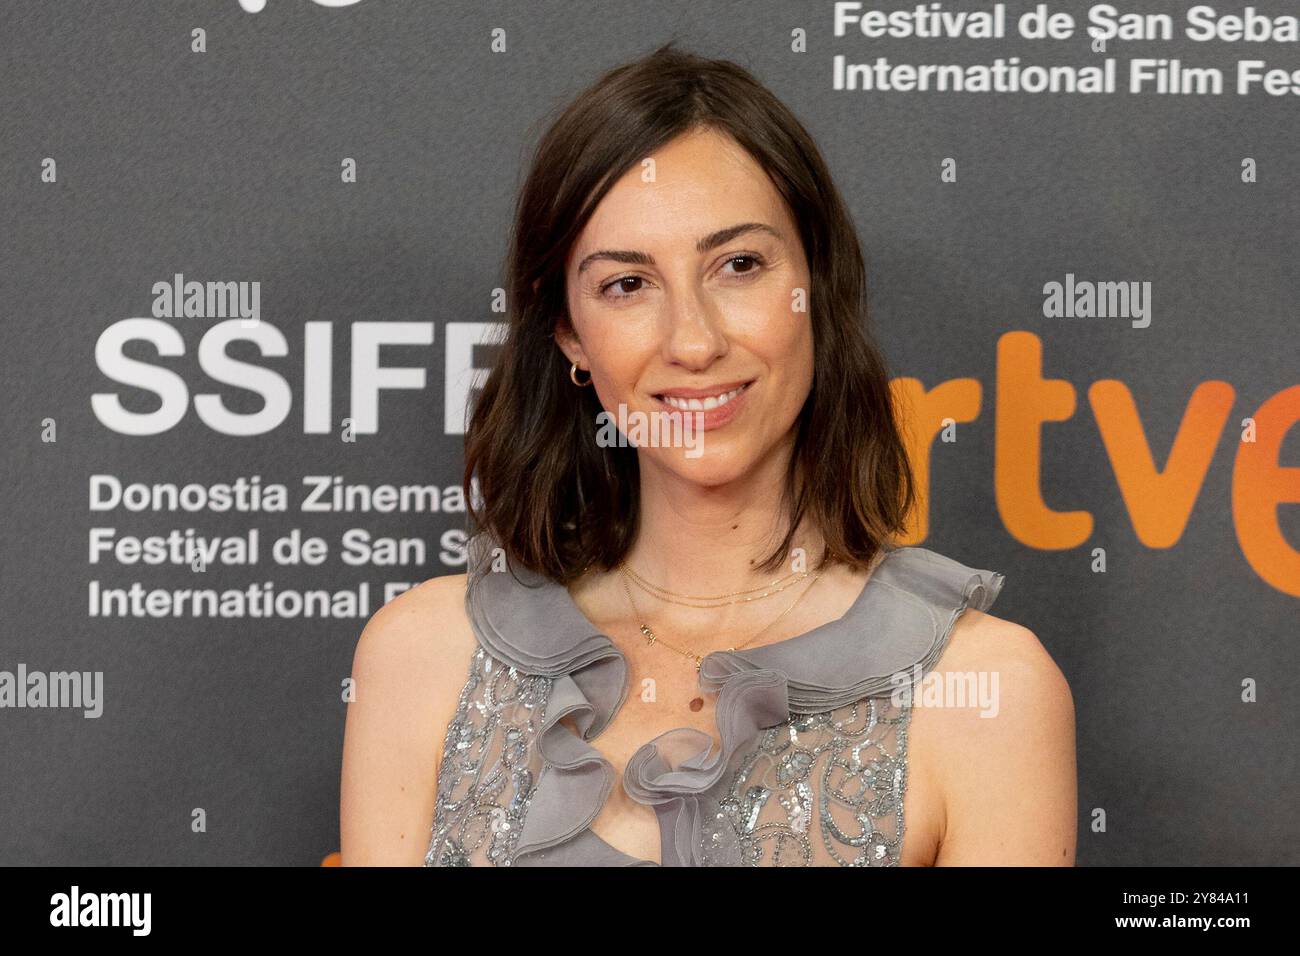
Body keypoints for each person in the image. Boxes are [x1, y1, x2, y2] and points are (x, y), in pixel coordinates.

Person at [339, 42, 1076, 866]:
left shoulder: (987, 690)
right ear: (569, 335)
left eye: (738, 266)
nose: (693, 340)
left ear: (816, 292)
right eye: (628, 284)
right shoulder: (422, 656)